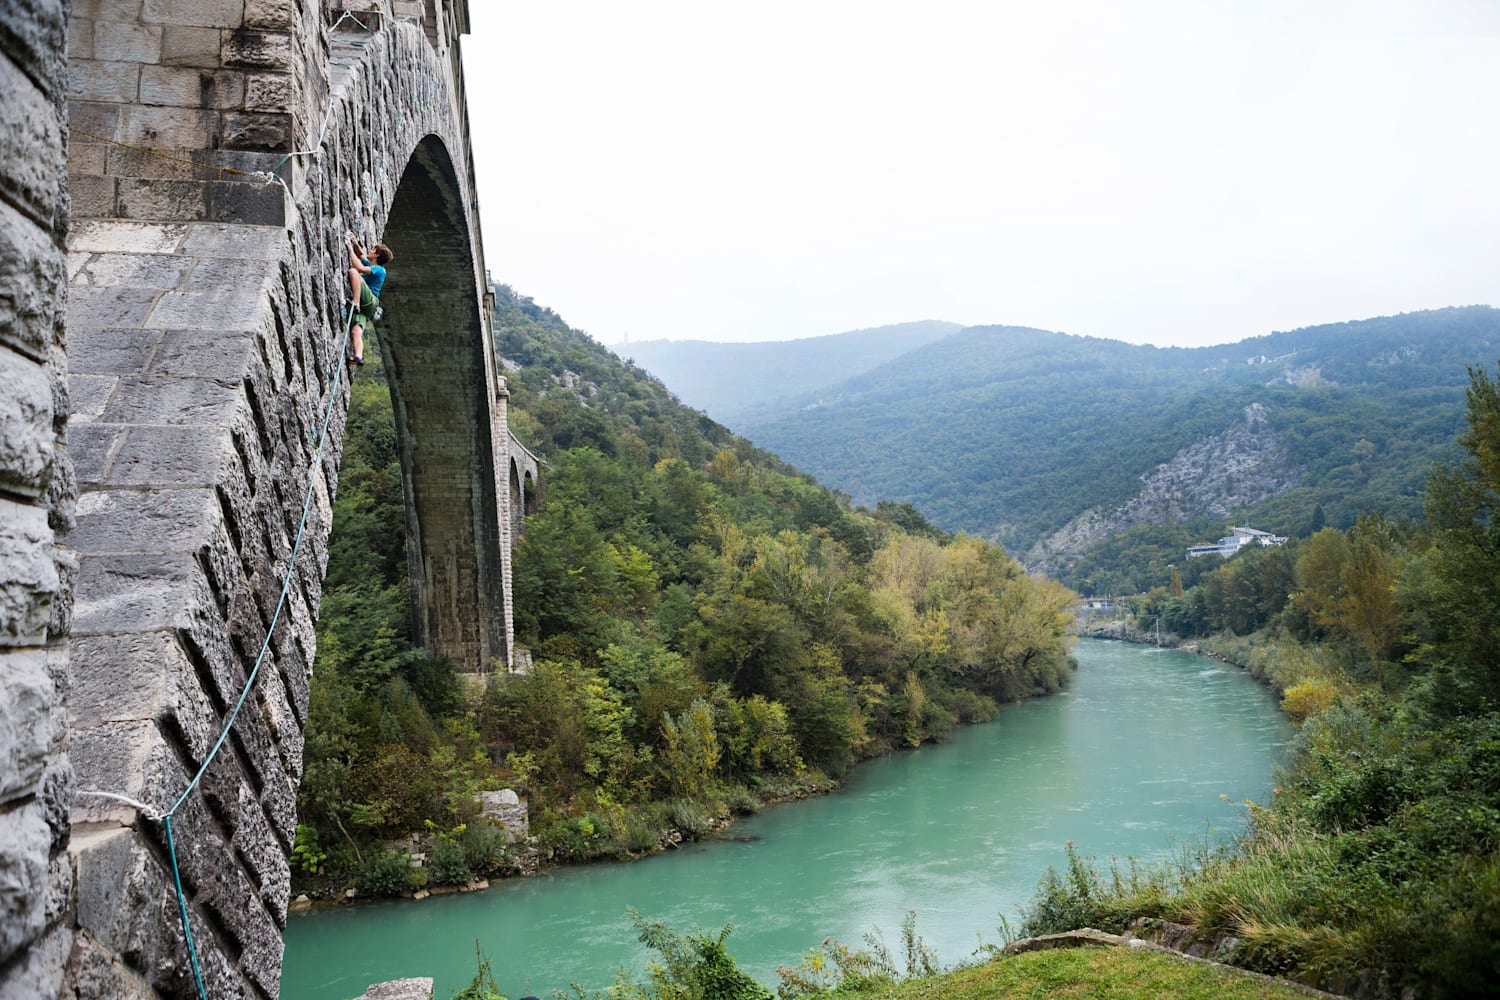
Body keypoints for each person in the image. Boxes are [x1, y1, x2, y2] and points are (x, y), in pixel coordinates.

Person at [346, 235, 393, 366]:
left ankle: (355, 302)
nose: (370, 250)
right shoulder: (372, 264)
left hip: (368, 301)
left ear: (376, 255)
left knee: (354, 272)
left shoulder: (380, 269)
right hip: (366, 309)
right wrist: (355, 243)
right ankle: (357, 357)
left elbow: (360, 268)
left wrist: (350, 249)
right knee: (356, 330)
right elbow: (361, 255)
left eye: (373, 249)